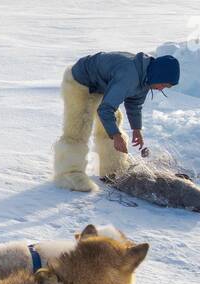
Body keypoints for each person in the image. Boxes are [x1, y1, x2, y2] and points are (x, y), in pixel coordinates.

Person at [52, 51, 180, 192]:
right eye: (163, 84)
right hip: (80, 81)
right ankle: (69, 173)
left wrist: (137, 130)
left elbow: (134, 104)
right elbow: (105, 109)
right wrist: (116, 136)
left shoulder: (147, 76)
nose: (161, 89)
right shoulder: (129, 76)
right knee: (79, 127)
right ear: (158, 74)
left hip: (103, 85)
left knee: (112, 123)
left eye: (166, 87)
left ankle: (112, 168)